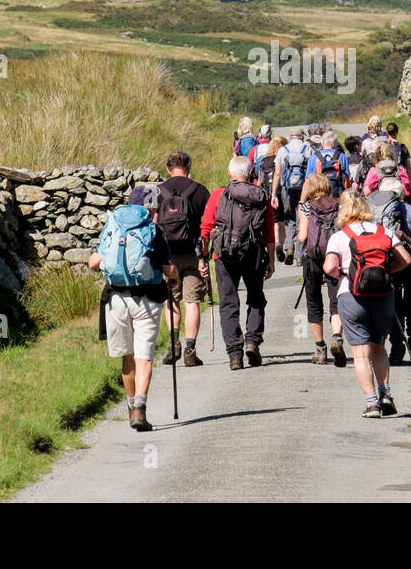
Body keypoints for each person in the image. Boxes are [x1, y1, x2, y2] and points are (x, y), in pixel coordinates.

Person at [89, 188, 178, 432]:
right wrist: (175, 278)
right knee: (144, 356)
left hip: (116, 299)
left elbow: (94, 262)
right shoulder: (153, 231)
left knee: (127, 357)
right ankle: (140, 408)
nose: (157, 212)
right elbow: (168, 269)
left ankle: (130, 409)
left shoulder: (114, 224)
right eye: (156, 207)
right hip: (147, 300)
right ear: (149, 207)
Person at [324, 190, 411, 417]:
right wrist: (386, 272)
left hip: (351, 297)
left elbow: (328, 267)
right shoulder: (384, 232)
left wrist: (346, 274)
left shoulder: (340, 236)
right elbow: (406, 259)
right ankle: (385, 393)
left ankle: (372, 403)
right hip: (383, 297)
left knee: (361, 354)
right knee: (379, 348)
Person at [201, 155, 275, 370]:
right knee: (256, 298)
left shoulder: (219, 194)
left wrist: (202, 259)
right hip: (254, 253)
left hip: (224, 254)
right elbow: (269, 230)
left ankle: (235, 354)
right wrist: (271, 260)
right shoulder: (261, 196)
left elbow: (206, 227)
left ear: (229, 172)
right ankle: (252, 341)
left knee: (228, 303)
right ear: (250, 173)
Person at [155, 150, 212, 367]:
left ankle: (173, 344)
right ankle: (190, 350)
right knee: (192, 302)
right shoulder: (199, 191)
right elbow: (208, 227)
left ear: (168, 168)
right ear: (189, 167)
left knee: (171, 300)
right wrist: (204, 257)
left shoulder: (157, 192)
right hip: (194, 254)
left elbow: (152, 224)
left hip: (167, 257)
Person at [367, 175, 411, 364]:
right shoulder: (410, 210)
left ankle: (397, 348)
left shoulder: (375, 213)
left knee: (394, 304)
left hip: (389, 260)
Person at [294, 172, 345, 366]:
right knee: (336, 299)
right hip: (334, 257)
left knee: (314, 303)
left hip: (313, 259)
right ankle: (337, 338)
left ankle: (320, 349)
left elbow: (302, 237)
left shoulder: (307, 207)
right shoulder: (339, 205)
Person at [272, 129, 311, 264]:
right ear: (301, 136)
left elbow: (277, 173)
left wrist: (273, 194)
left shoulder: (283, 150)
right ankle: (300, 256)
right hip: (305, 189)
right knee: (303, 219)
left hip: (287, 189)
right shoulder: (308, 149)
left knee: (289, 219)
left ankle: (289, 247)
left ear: (290, 136)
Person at [385, 122, 411, 190]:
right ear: (397, 132)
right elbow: (408, 168)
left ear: (387, 132)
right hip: (399, 180)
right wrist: (410, 184)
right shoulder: (402, 147)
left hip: (386, 181)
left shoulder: (383, 147)